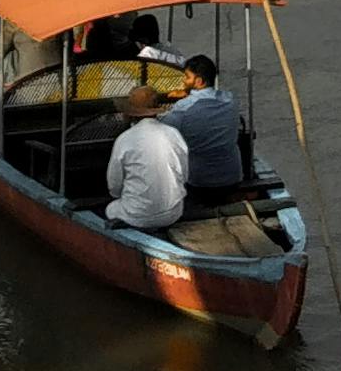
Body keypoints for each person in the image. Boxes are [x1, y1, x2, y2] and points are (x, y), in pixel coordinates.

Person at [102, 80, 190, 237]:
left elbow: (114, 187)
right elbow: (184, 176)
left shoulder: (124, 139)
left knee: (111, 209)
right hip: (173, 213)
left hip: (138, 215)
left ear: (130, 114)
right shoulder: (173, 134)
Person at [165, 51, 248, 206]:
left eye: (187, 77)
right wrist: (188, 94)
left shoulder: (182, 109)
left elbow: (161, 129)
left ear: (199, 81)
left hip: (199, 182)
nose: (184, 81)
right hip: (232, 178)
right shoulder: (230, 100)